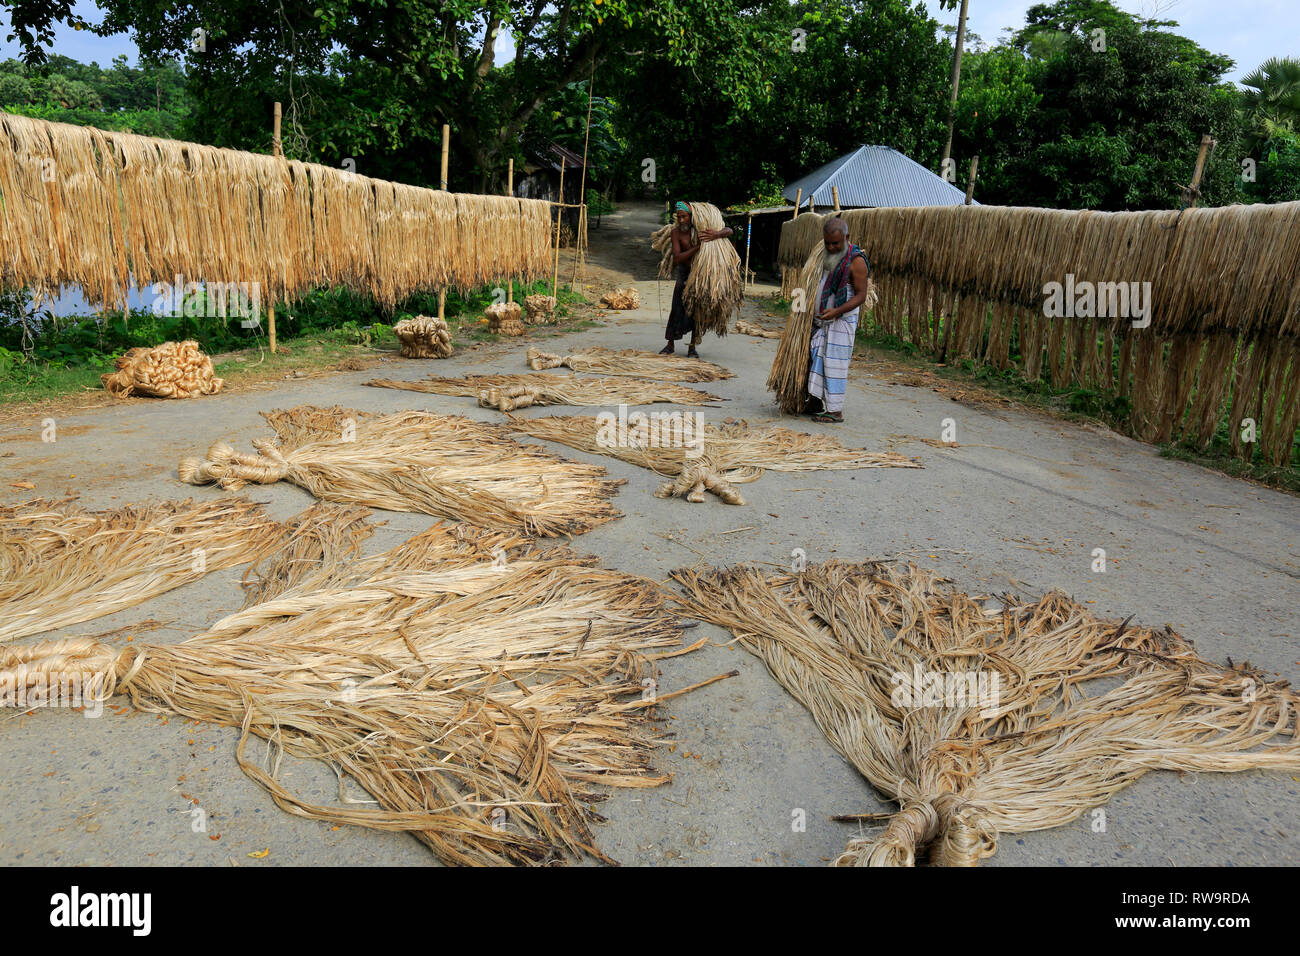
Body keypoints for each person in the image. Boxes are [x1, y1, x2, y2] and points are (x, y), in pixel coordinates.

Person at [806, 217, 871, 423]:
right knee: (817, 355)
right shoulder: (825, 256)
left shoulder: (857, 261)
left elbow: (860, 296)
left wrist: (836, 312)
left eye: (836, 243)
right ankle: (815, 401)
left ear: (846, 238)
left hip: (842, 322)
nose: (831, 247)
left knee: (835, 364)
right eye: (827, 243)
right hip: (824, 322)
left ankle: (835, 411)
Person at [662, 200, 733, 358]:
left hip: (701, 274)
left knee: (697, 310)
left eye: (684, 217)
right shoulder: (676, 233)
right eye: (679, 217)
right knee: (677, 308)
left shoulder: (701, 229)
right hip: (684, 273)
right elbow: (678, 257)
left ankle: (692, 347)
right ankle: (670, 344)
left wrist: (717, 234)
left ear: (691, 216)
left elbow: (729, 231)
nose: (681, 220)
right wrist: (698, 247)